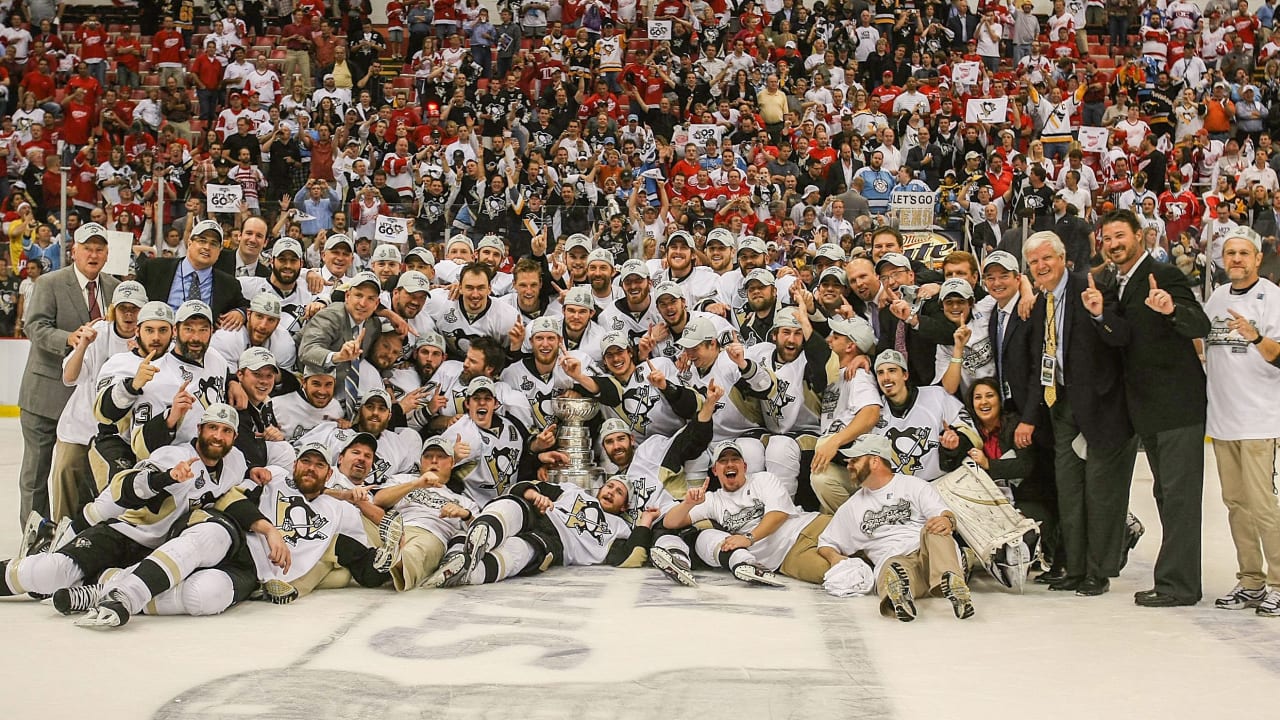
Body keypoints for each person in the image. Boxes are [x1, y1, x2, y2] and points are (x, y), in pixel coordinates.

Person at [1015, 231, 1138, 597]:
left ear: (1062, 256)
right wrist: (1030, 415)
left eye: (1046, 258)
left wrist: (1100, 314)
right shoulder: (1040, 304)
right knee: (1069, 491)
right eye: (1034, 262)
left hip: (1101, 408)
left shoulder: (1091, 287)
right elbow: (1042, 362)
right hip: (1062, 406)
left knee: (1099, 494)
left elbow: (1121, 338)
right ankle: (1074, 567)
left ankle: (1098, 571)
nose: (1041, 266)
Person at [1097, 209, 1210, 608]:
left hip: (1178, 407)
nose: (1114, 244)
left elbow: (1200, 324)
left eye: (1119, 236)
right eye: (1107, 238)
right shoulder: (1117, 282)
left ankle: (1177, 585)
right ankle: (1178, 581)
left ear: (1141, 237)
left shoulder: (1164, 275)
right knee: (1167, 495)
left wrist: (1171, 309)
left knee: (1178, 498)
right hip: (1149, 410)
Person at [17, 222, 120, 529]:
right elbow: (34, 326)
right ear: (74, 251)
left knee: (83, 472)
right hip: (46, 396)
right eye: (87, 248)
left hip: (89, 404)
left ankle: (76, 532)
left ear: (107, 254)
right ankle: (35, 536)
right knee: (36, 473)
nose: (93, 254)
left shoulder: (115, 288)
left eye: (99, 249)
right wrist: (69, 339)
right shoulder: (50, 283)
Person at [1202, 225, 1280, 617]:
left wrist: (1252, 336)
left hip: (1258, 420)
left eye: (1243, 253)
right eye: (1230, 253)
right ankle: (1251, 580)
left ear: (1257, 258)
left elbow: (1278, 354)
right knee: (1235, 504)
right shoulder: (1216, 297)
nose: (1235, 259)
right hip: (1223, 419)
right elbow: (1203, 343)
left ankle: (1279, 581)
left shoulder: (1271, 298)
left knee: (1263, 504)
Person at [815, 434, 972, 622]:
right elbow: (826, 542)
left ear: (875, 461)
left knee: (934, 528)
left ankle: (951, 582)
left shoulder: (913, 485)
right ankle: (899, 595)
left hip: (929, 554)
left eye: (855, 460)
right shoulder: (852, 507)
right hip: (894, 561)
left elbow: (942, 514)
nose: (849, 465)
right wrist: (836, 558)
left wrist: (947, 521)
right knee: (893, 570)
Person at [134, 219, 248, 326]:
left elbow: (245, 306)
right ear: (189, 243)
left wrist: (240, 313)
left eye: (213, 244)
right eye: (202, 241)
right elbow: (134, 298)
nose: (207, 247)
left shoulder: (229, 284)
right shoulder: (154, 268)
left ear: (220, 250)